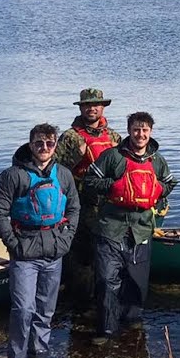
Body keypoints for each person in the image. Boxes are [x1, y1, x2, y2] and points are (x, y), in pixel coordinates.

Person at [0, 123, 80, 358]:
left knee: (46, 308)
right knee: (23, 308)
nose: (44, 147)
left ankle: (39, 348)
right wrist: (13, 243)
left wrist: (67, 239)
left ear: (56, 146)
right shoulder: (12, 175)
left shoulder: (63, 174)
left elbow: (74, 208)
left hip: (55, 249)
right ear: (31, 145)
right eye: (39, 143)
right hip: (24, 251)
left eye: (50, 143)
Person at [83, 111, 178, 343]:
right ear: (129, 131)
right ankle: (106, 329)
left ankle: (133, 322)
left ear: (151, 132)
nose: (140, 134)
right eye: (136, 129)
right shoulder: (112, 156)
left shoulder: (157, 160)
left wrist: (157, 192)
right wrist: (113, 186)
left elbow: (170, 182)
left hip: (142, 228)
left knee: (137, 281)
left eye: (145, 130)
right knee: (107, 280)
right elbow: (89, 181)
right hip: (111, 228)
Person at [54, 89, 121, 277]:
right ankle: (79, 297)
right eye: (87, 105)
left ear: (103, 108)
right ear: (81, 108)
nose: (92, 109)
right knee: (81, 253)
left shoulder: (114, 137)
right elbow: (57, 171)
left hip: (108, 204)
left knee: (108, 250)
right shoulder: (70, 137)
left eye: (95, 105)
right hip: (80, 202)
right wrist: (77, 155)